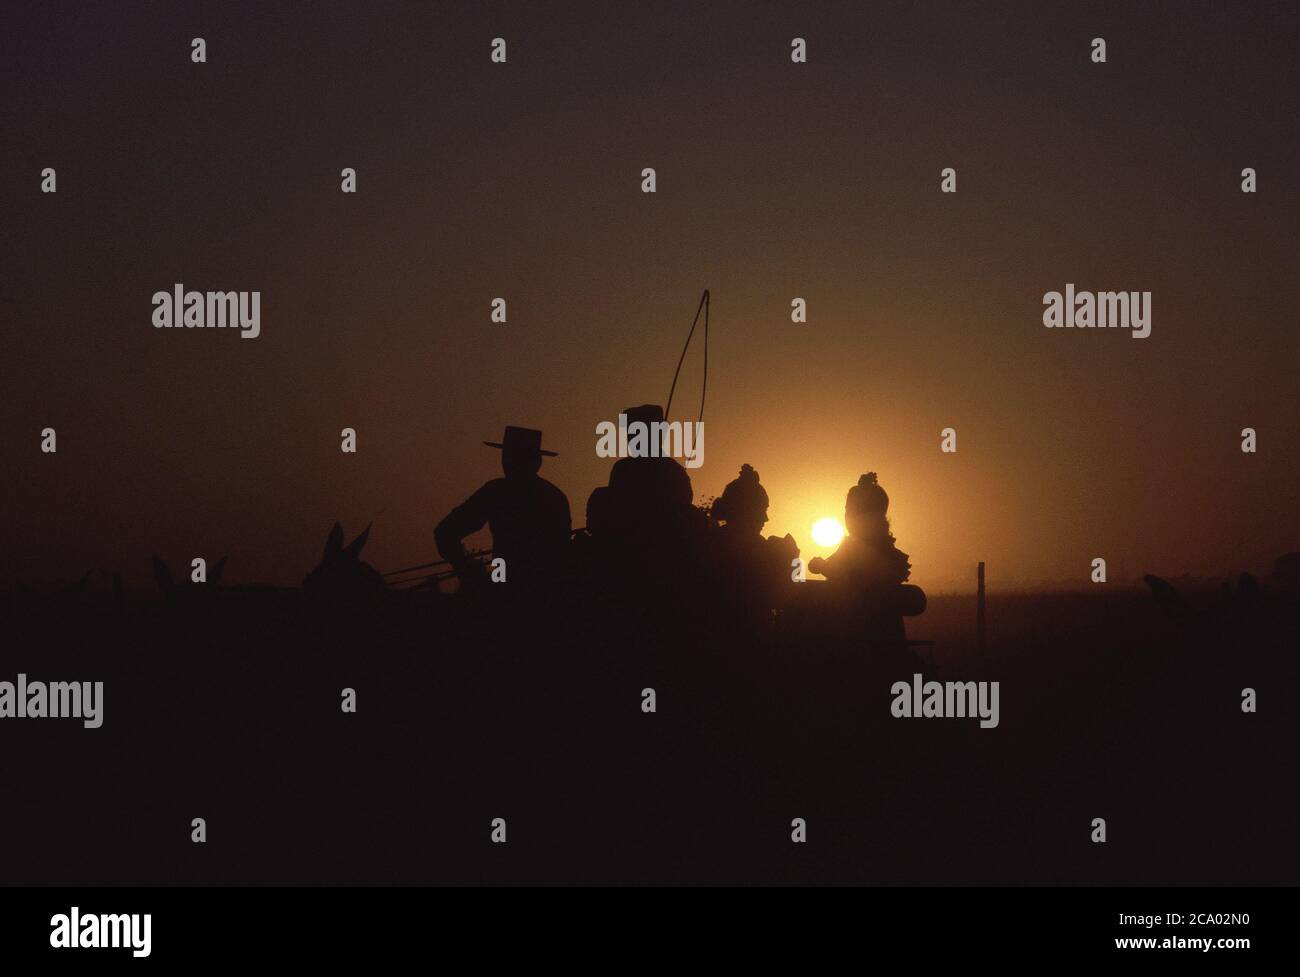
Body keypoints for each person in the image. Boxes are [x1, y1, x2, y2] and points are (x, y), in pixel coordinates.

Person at [434, 426, 571, 592]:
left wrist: (466, 569)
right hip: (548, 591)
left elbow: (445, 532)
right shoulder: (555, 497)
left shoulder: (496, 492)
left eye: (510, 456)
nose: (507, 461)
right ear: (537, 461)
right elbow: (563, 553)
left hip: (508, 589)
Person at [708, 464, 799, 630]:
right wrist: (793, 560)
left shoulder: (711, 541)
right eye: (761, 510)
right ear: (744, 510)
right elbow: (787, 595)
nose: (766, 518)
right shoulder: (757, 551)